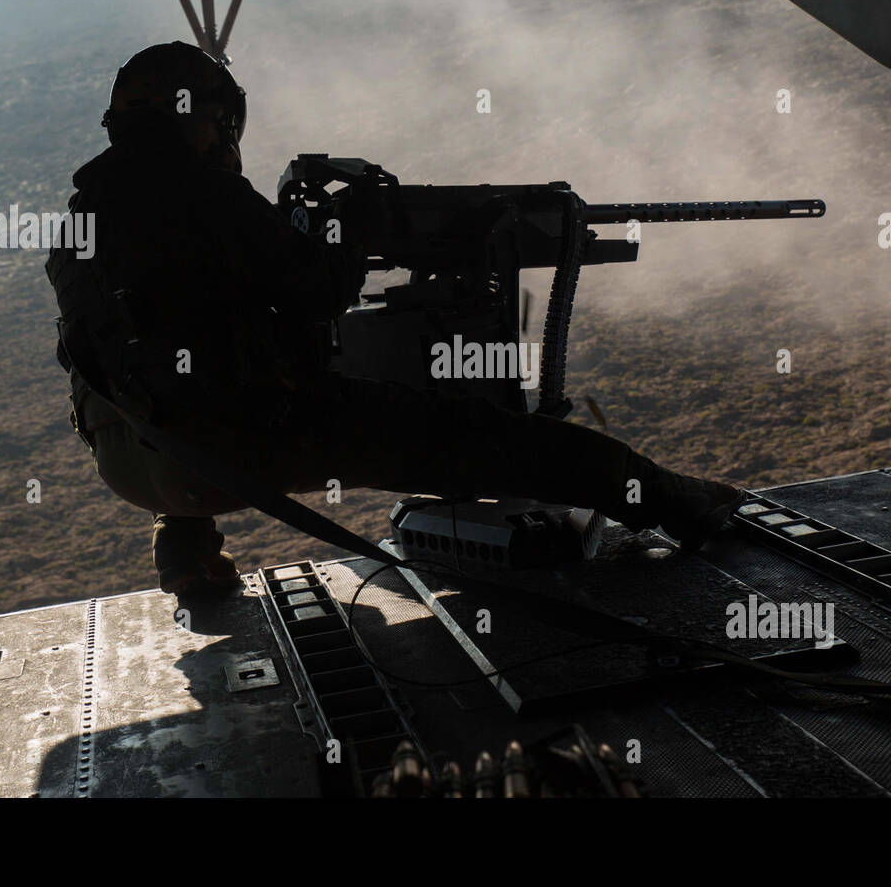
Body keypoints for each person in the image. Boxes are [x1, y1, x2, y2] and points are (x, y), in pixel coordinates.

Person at [46, 42, 742, 596]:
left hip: (135, 465)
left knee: (181, 384)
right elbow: (317, 290)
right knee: (484, 438)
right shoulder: (202, 191)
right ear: (210, 119)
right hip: (234, 450)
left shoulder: (82, 215)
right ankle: (673, 499)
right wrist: (355, 226)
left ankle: (187, 556)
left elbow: (152, 348)